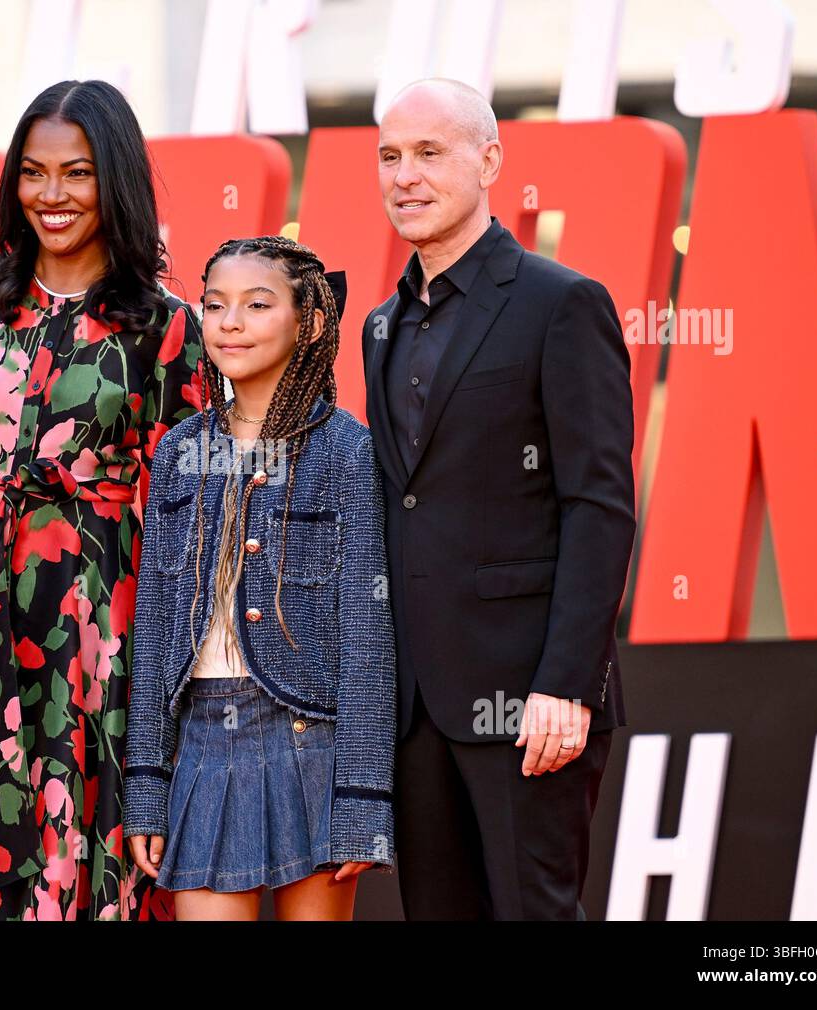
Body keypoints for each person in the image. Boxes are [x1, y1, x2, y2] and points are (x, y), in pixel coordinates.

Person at [0, 79, 203, 921]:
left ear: (115, 179)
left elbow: (183, 516)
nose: (51, 196)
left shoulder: (165, 325)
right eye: (33, 172)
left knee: (74, 830)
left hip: (96, 626)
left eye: (78, 174)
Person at [363, 78, 635, 920]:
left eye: (428, 153)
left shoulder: (561, 304)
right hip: (415, 713)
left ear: (488, 160)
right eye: (389, 157)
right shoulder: (380, 326)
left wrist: (566, 684)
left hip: (529, 702)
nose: (404, 176)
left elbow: (599, 505)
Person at [124, 235, 397, 921]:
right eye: (215, 305)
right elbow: (155, 628)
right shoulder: (180, 450)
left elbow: (368, 634)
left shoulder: (348, 449)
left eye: (256, 304)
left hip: (314, 743)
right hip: (203, 743)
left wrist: (363, 796)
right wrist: (148, 788)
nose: (230, 322)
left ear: (308, 322)